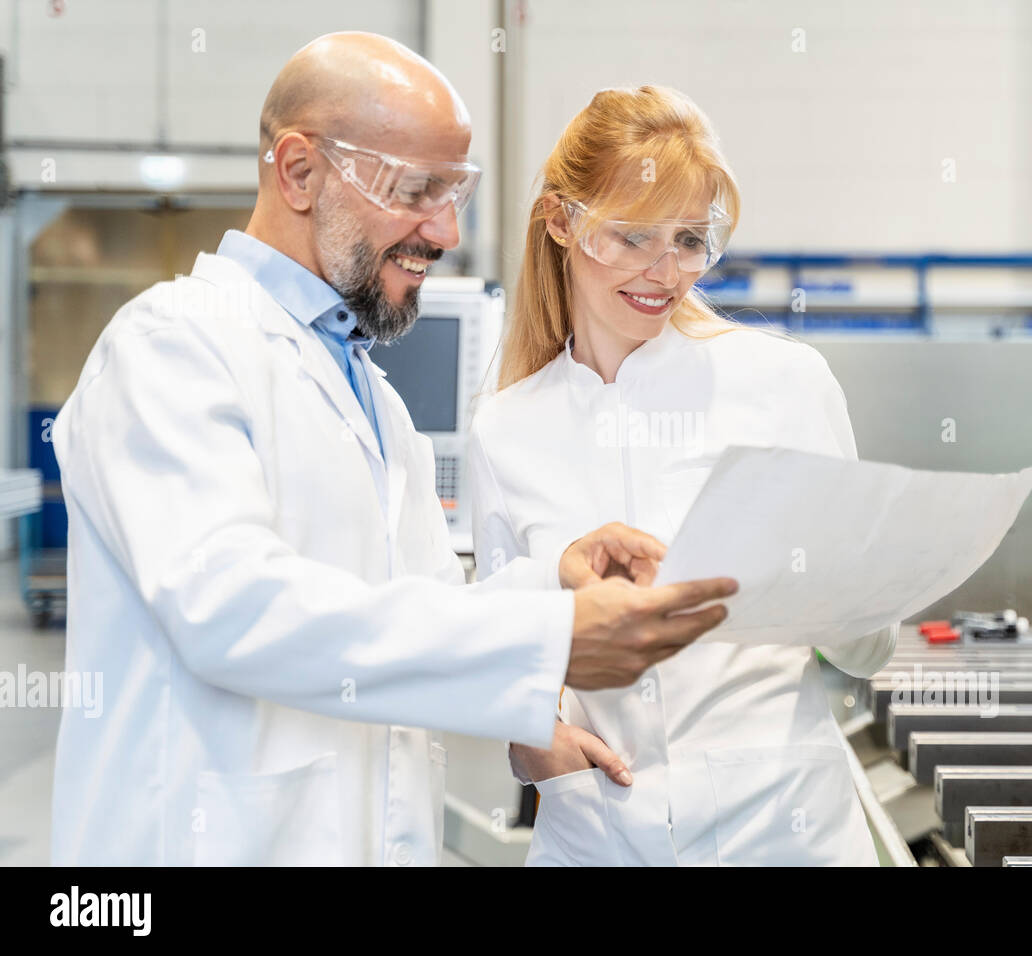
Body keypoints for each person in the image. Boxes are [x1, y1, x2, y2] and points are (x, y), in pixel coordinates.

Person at [49, 36, 735, 867]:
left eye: (456, 194)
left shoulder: (375, 402)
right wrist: (547, 637)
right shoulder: (172, 346)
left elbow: (420, 601)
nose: (444, 230)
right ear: (299, 172)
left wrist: (549, 579)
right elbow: (232, 608)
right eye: (416, 191)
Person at [469, 85, 900, 866]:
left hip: (781, 829)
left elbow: (872, 648)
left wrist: (845, 593)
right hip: (595, 834)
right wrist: (529, 746)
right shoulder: (507, 428)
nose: (664, 273)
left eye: (690, 240)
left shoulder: (782, 383)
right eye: (632, 237)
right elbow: (502, 645)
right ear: (562, 223)